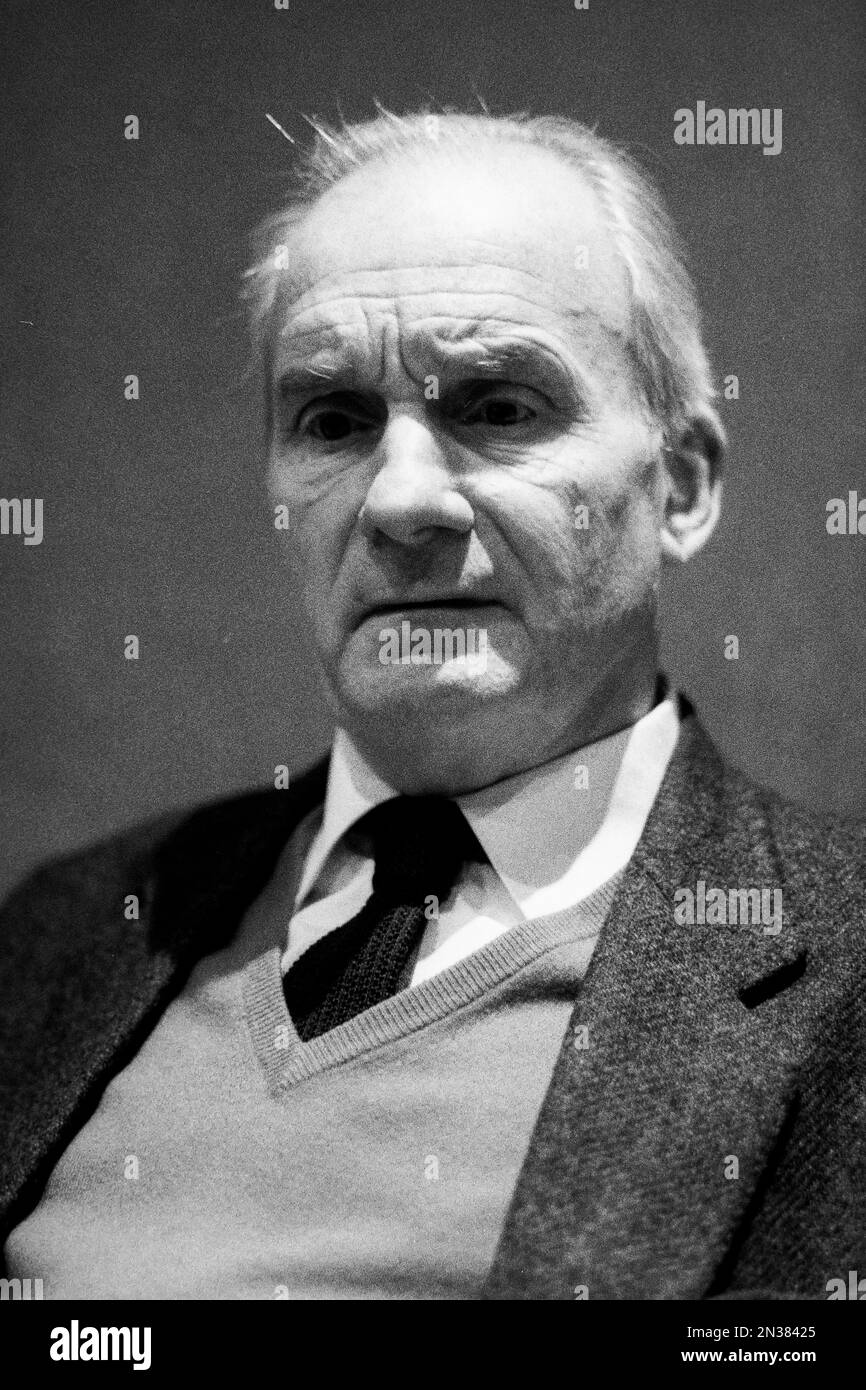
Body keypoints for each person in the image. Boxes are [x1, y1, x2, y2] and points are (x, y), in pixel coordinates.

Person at [1, 110, 863, 1301]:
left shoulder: (844, 964)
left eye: (498, 405)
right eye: (335, 421)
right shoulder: (64, 931)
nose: (402, 500)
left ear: (681, 484)